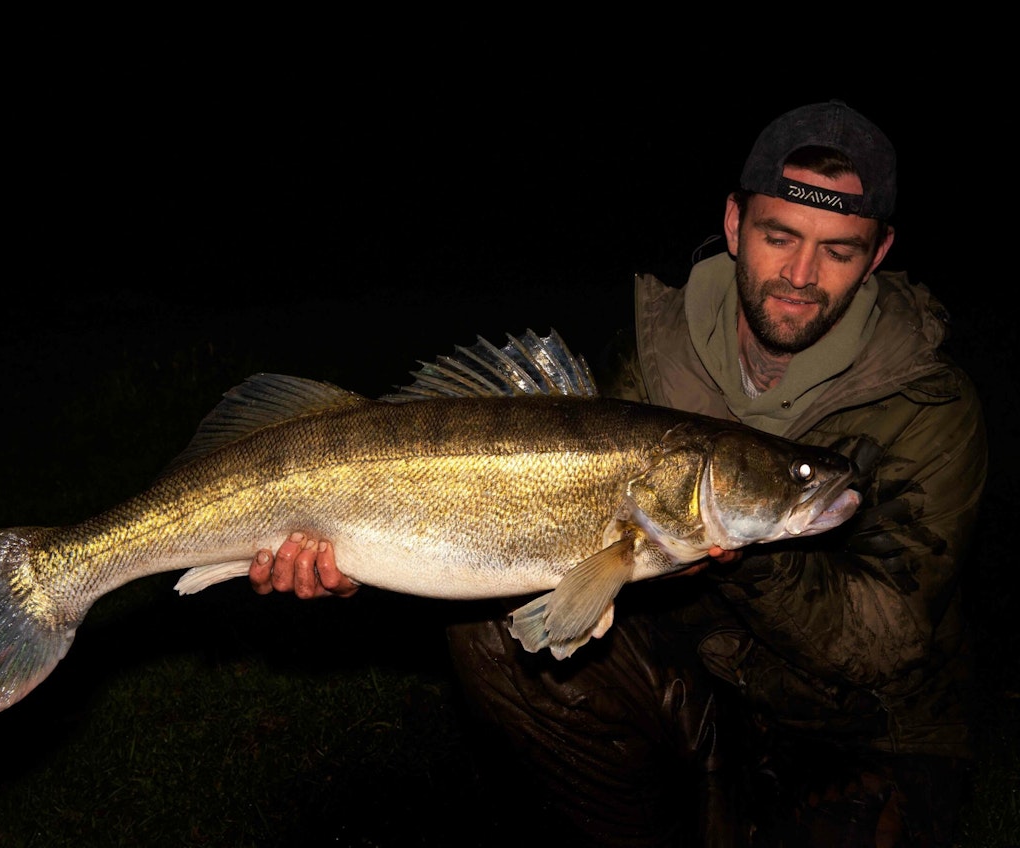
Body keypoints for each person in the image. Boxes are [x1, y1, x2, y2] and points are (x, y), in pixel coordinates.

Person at [247, 101, 988, 846]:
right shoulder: (655, 358)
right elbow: (573, 547)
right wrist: (355, 552)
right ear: (734, 225)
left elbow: (884, 643)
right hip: (704, 678)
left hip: (862, 732)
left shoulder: (931, 408)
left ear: (879, 252)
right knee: (491, 634)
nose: (801, 274)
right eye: (779, 236)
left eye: (838, 250)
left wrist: (747, 554)